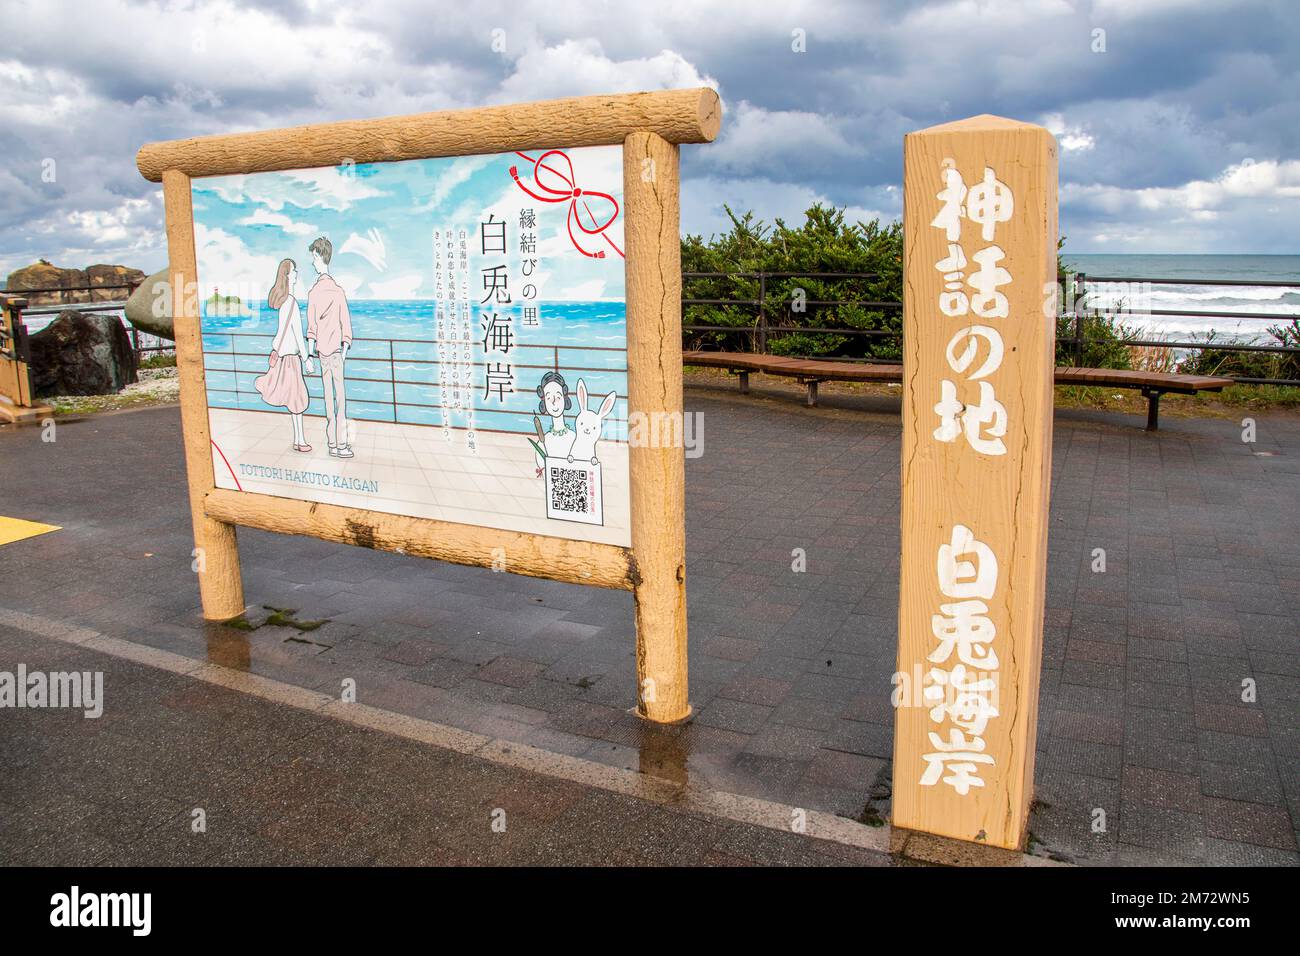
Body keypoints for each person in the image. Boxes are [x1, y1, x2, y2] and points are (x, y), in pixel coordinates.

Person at [254, 258, 313, 451]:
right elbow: (297, 335)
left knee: (293, 398)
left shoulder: (285, 303)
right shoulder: (292, 303)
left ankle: (299, 439)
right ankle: (300, 440)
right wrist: (307, 359)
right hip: (291, 359)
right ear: (287, 276)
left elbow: (282, 333)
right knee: (297, 399)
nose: (297, 274)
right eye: (294, 271)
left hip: (283, 357)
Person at [305, 236, 354, 458]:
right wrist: (344, 353)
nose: (312, 262)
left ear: (319, 256)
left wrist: (309, 354)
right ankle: (341, 445)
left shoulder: (314, 293)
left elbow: (312, 328)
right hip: (336, 353)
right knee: (340, 399)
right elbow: (346, 327)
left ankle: (332, 444)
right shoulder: (338, 291)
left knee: (327, 399)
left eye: (313, 257)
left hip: (322, 354)